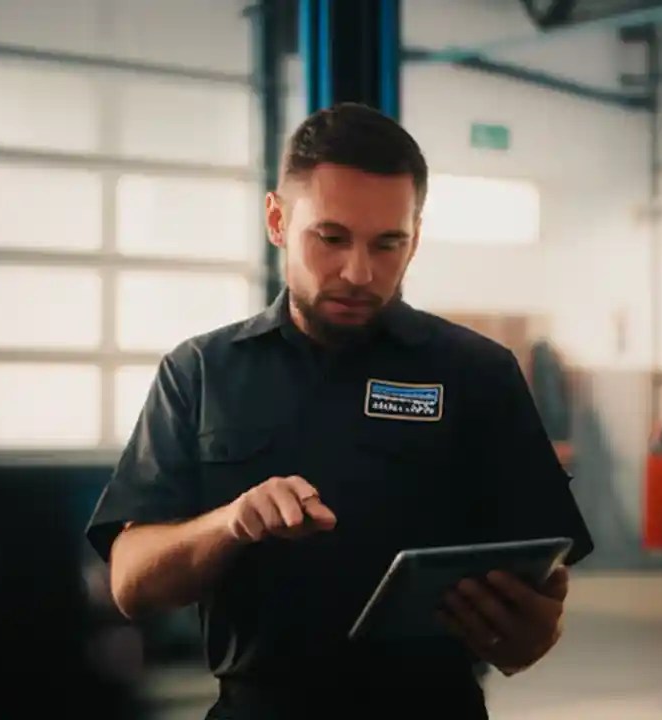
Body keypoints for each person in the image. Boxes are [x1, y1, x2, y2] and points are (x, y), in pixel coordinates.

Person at [86, 102, 593, 720]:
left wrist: (532, 628)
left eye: (389, 244)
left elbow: (538, 587)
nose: (359, 272)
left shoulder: (477, 374)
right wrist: (231, 523)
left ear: (416, 237)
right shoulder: (200, 372)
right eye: (330, 238)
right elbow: (131, 582)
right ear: (277, 219)